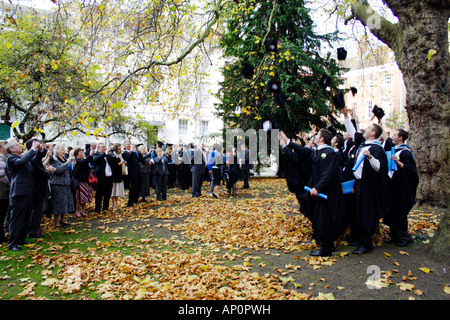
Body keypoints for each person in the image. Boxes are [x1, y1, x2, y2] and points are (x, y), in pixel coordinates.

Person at [345, 115, 390, 254]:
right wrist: (347, 116)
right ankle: (358, 239)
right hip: (359, 183)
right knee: (358, 212)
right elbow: (353, 132)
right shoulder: (362, 145)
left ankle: (366, 243)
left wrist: (370, 157)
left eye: (368, 128)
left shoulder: (377, 149)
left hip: (369, 186)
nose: (365, 130)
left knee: (366, 213)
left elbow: (381, 168)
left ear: (373, 133)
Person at [385, 129, 419, 247]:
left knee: (400, 212)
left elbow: (411, 170)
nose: (392, 137)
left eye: (394, 135)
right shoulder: (396, 150)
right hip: (394, 186)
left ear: (400, 138)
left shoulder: (405, 152)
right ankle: (394, 236)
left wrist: (398, 163)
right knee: (393, 211)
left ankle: (404, 237)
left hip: (402, 188)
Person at [5, 139, 39, 251]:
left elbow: (33, 161)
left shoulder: (22, 157)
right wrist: (32, 149)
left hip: (28, 191)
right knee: (17, 218)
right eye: (16, 145)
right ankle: (12, 243)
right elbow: (23, 161)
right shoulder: (11, 158)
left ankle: (21, 238)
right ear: (11, 149)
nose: (19, 146)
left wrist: (40, 151)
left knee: (26, 217)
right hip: (19, 192)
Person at [28, 139, 53, 238]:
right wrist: (50, 172)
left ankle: (36, 229)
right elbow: (40, 171)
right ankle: (33, 231)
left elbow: (39, 161)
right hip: (37, 188)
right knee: (36, 211)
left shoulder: (36, 159)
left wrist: (44, 153)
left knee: (38, 211)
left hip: (40, 188)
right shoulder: (32, 159)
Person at [48, 144, 74, 228]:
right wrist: (67, 163)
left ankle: (62, 219)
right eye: (63, 150)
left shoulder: (65, 159)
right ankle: (56, 223)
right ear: (58, 151)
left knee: (65, 202)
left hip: (66, 183)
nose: (64, 152)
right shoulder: (54, 160)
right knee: (57, 204)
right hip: (58, 184)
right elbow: (58, 170)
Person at [93, 143, 114, 213]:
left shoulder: (107, 156)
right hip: (101, 177)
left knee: (107, 193)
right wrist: (104, 153)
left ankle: (105, 208)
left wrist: (111, 153)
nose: (104, 148)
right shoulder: (97, 155)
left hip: (109, 177)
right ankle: (97, 209)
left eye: (105, 147)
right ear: (98, 148)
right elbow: (95, 160)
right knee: (99, 194)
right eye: (102, 147)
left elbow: (113, 160)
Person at [73, 146, 94, 217]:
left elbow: (88, 162)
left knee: (85, 196)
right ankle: (77, 210)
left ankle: (83, 210)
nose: (82, 154)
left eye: (82, 152)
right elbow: (83, 163)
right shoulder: (77, 161)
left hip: (86, 180)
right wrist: (90, 155)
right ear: (77, 154)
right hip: (79, 181)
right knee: (79, 197)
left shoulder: (84, 160)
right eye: (80, 152)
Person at [122, 142, 145, 207]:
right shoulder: (125, 153)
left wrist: (138, 152)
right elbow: (129, 158)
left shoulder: (134, 153)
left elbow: (141, 160)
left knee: (139, 187)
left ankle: (136, 200)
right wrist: (133, 151)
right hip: (132, 172)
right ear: (125, 146)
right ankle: (130, 202)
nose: (129, 145)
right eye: (128, 144)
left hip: (138, 171)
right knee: (133, 187)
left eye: (129, 144)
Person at [110, 143, 126, 209]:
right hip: (115, 175)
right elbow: (113, 165)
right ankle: (113, 203)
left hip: (120, 173)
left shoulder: (120, 155)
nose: (120, 148)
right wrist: (120, 163)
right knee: (114, 189)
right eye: (119, 147)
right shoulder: (113, 155)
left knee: (117, 190)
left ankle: (116, 202)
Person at [0, 140, 10, 244]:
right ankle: (1, 237)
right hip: (2, 191)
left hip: (3, 191)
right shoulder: (1, 158)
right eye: (5, 146)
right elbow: (1, 174)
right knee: (2, 213)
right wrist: (10, 183)